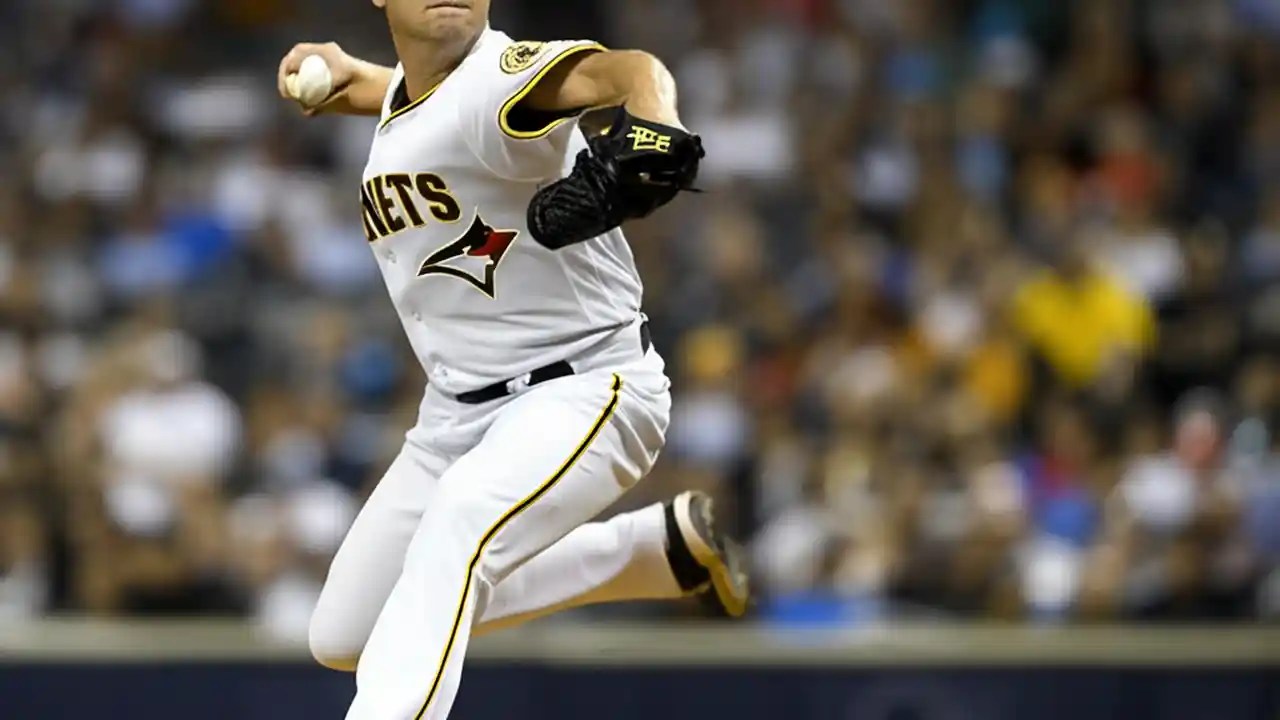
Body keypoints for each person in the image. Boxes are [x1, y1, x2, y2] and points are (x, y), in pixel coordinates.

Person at [275, 2, 748, 718]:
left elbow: (628, 72)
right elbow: (430, 100)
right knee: (345, 633)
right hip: (456, 416)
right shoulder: (421, 92)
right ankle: (655, 551)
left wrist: (659, 118)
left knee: (458, 529)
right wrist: (360, 79)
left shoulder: (502, 75)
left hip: (584, 388)